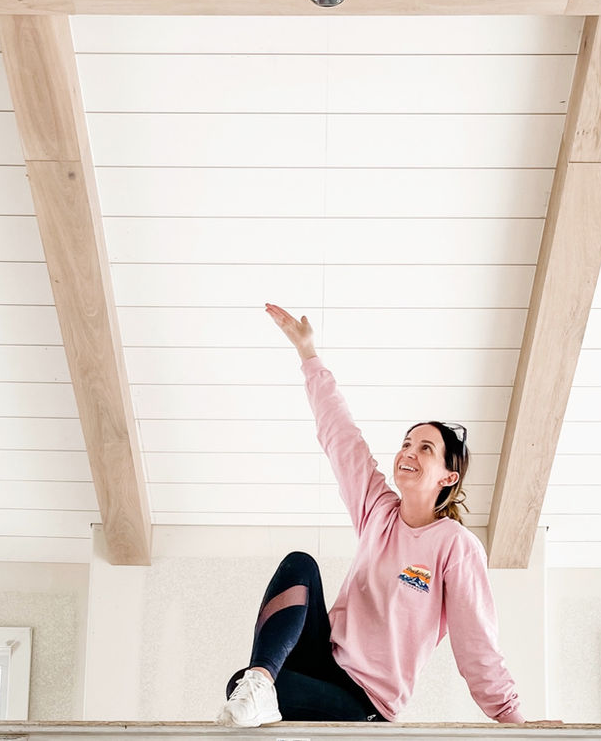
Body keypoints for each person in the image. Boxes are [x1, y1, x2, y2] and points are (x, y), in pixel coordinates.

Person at [216, 303, 527, 728]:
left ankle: (267, 691)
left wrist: (513, 719)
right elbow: (341, 437)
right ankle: (260, 683)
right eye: (406, 443)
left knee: (249, 687)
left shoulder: (455, 546)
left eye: (425, 448)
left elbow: (477, 644)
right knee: (299, 566)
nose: (409, 452)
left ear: (448, 477)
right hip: (324, 663)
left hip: (366, 700)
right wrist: (308, 355)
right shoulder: (378, 511)